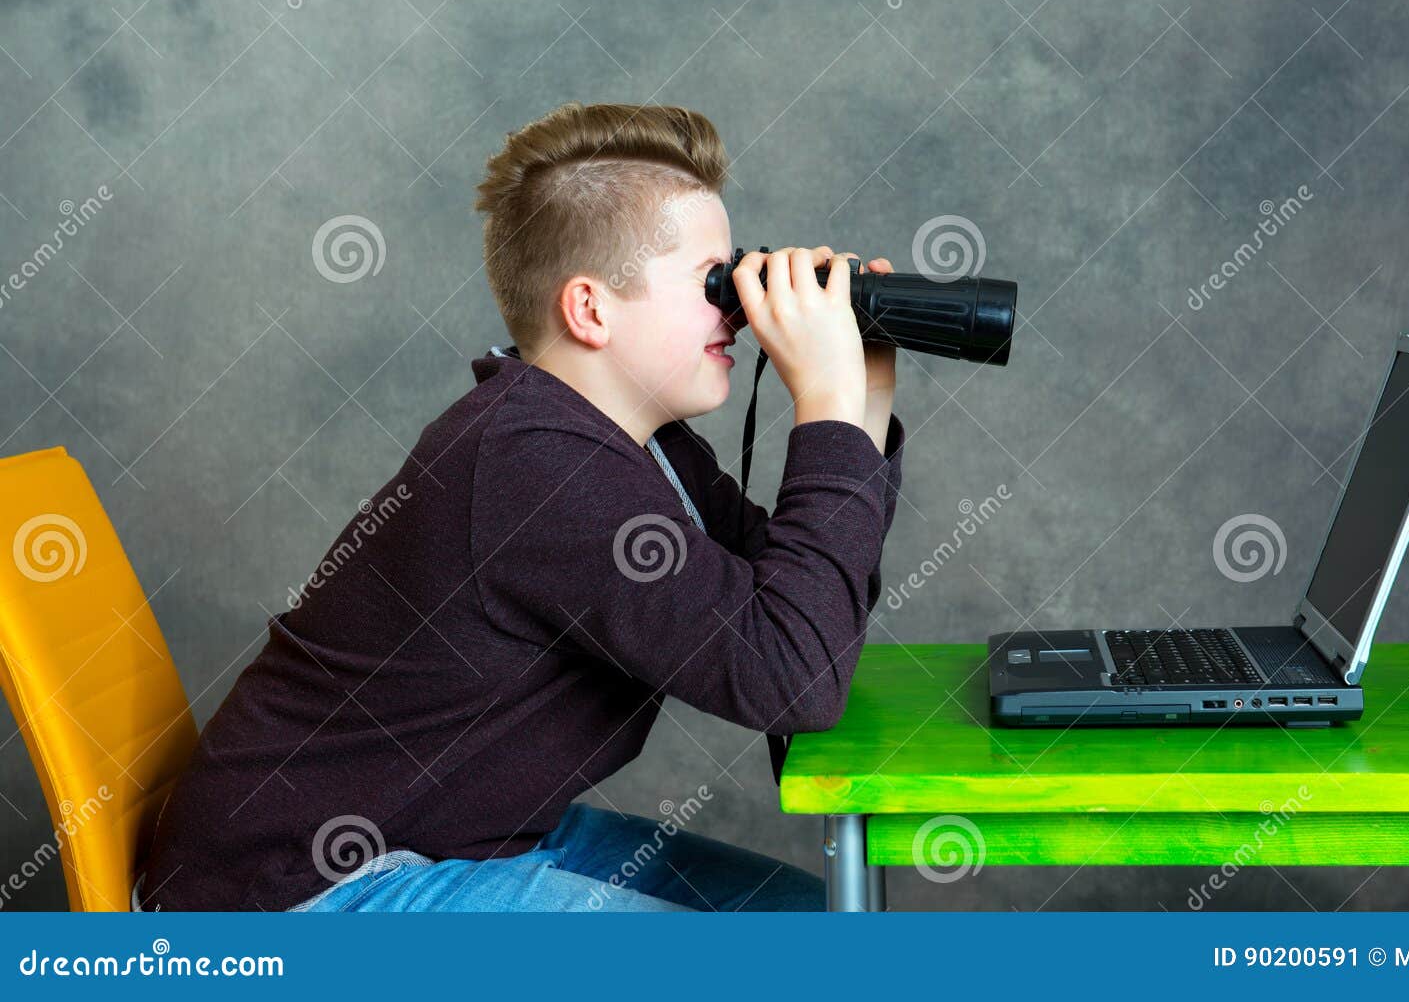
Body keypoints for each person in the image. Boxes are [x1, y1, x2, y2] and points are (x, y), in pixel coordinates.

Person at [133, 102, 905, 911]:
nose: (740, 308)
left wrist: (863, 397)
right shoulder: (537, 465)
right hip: (295, 892)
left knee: (811, 922)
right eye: (714, 279)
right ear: (591, 309)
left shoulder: (630, 442)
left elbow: (807, 609)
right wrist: (824, 401)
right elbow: (791, 676)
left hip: (454, 838)